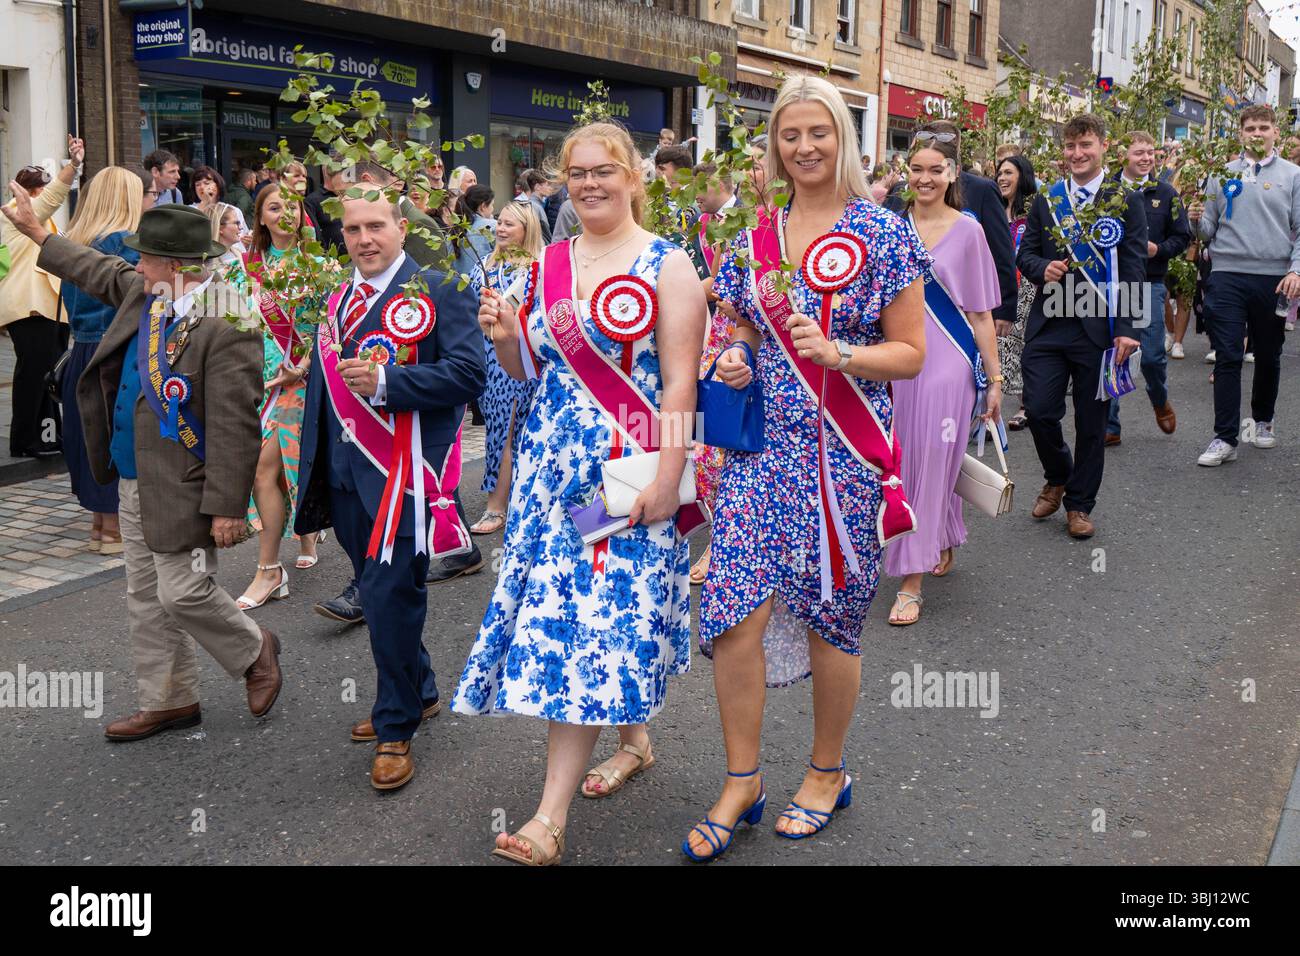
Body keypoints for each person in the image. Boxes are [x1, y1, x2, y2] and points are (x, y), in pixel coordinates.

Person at [453, 120, 707, 865]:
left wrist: (669, 476)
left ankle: (549, 816)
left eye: (605, 170)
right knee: (590, 621)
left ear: (634, 175)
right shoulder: (551, 262)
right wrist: (503, 333)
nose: (591, 183)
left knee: (595, 627)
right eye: (578, 173)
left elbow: (682, 383)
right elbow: (530, 368)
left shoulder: (670, 266)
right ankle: (634, 742)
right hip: (551, 471)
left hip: (626, 475)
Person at [689, 75, 927, 859]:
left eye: (818, 133)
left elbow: (912, 353)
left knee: (831, 621)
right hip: (763, 456)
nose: (804, 147)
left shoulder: (884, 234)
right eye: (790, 135)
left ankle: (826, 771)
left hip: (846, 456)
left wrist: (841, 353)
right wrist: (734, 355)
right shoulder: (754, 235)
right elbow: (741, 329)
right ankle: (742, 779)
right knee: (732, 615)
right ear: (775, 146)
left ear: (843, 140)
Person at [2, 194, 282, 739]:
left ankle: (256, 648)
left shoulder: (229, 317)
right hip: (130, 473)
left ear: (175, 266)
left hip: (186, 482)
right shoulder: (144, 290)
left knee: (184, 591)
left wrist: (227, 506)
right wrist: (38, 232)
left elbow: (234, 423)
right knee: (146, 599)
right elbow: (95, 267)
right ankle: (169, 700)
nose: (134, 264)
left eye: (145, 257)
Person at [294, 189, 484, 790]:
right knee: (381, 593)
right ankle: (420, 688)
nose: (364, 239)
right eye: (353, 230)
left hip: (405, 475)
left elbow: (468, 374)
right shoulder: (339, 295)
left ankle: (396, 722)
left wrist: (387, 381)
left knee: (388, 595)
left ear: (402, 228)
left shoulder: (439, 287)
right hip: (344, 475)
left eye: (376, 226)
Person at [885, 132, 1001, 626]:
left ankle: (910, 580)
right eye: (917, 169)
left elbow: (979, 314)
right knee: (904, 457)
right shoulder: (890, 226)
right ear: (905, 173)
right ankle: (944, 530)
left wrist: (994, 380)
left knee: (929, 460)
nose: (925, 178)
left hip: (948, 362)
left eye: (936, 170)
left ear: (953, 175)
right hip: (894, 357)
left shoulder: (969, 231)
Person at [1016, 112, 1146, 537]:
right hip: (1051, 319)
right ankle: (1059, 474)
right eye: (1070, 146)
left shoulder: (1125, 199)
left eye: (1085, 145)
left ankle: (1079, 504)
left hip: (1101, 325)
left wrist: (1128, 327)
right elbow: (1026, 253)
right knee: (1038, 410)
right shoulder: (1047, 199)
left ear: (1104, 147)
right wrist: (1041, 268)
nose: (1077, 153)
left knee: (1092, 422)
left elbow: (1133, 267)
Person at [1189, 104, 1300, 466]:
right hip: (1227, 275)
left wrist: (1296, 271)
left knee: (1268, 355)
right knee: (1229, 355)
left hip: (1274, 279)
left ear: (1275, 133)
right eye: (1250, 127)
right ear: (1240, 133)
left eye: (1263, 127)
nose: (1256, 133)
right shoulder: (1222, 174)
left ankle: (1261, 422)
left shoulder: (1293, 176)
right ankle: (1225, 438)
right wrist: (1194, 220)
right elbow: (1208, 229)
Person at [235, 185, 325, 609]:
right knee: (285, 465)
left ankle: (269, 570)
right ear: (262, 218)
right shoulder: (246, 267)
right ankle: (303, 537)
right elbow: (230, 321)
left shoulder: (319, 266)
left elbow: (332, 328)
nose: (284, 213)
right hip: (260, 381)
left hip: (301, 382)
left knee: (265, 468)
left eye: (292, 205)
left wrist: (303, 366)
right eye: (274, 207)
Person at [60, 166, 143, 554]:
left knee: (88, 434)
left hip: (81, 349)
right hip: (115, 350)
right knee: (115, 433)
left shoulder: (77, 242)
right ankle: (113, 529)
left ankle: (100, 526)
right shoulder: (124, 244)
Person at [887, 121, 1017, 347]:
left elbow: (1001, 250)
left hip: (958, 317)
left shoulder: (982, 189)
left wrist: (1005, 308)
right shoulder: (901, 192)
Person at [1104, 131, 1189, 446]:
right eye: (1139, 152)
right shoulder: (1106, 190)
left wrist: (1158, 249)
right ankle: (1110, 423)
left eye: (1150, 152)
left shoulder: (1166, 193)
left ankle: (1159, 399)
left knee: (1152, 356)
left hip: (1150, 283)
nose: (1146, 158)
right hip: (1111, 285)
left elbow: (1183, 236)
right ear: (1124, 155)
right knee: (1113, 351)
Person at [466, 199, 544, 536]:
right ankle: (510, 499)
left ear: (527, 229)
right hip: (488, 360)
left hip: (524, 357)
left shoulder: (538, 267)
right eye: (499, 222)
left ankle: (498, 506)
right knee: (501, 429)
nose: (500, 228)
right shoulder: (483, 265)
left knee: (513, 429)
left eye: (510, 224)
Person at [1, 137, 82, 459]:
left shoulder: (45, 222)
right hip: (30, 307)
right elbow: (50, 200)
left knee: (50, 375)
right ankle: (24, 439)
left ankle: (49, 434)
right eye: (43, 188)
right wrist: (73, 167)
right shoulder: (14, 213)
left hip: (51, 308)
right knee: (33, 374)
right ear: (31, 192)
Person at [684, 162, 737, 585]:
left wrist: (667, 292)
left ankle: (723, 540)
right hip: (712, 337)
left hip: (740, 340)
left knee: (720, 444)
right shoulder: (705, 223)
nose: (693, 195)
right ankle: (721, 533)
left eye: (698, 187)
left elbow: (720, 285)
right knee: (703, 442)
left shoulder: (742, 222)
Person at [996, 153, 1038, 430]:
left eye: (1009, 173)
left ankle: (1027, 404)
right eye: (1000, 173)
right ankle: (993, 409)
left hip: (1029, 285)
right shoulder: (993, 208)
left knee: (1023, 343)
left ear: (1022, 176)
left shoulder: (1034, 210)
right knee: (1000, 343)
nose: (1002, 178)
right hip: (999, 284)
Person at [515, 169, 553, 243]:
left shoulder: (533, 204)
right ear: (537, 187)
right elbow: (545, 235)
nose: (550, 188)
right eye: (547, 184)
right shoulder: (535, 207)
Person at [209, 201, 247, 270]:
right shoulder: (207, 263)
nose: (241, 227)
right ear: (219, 227)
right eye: (236, 223)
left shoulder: (239, 254)